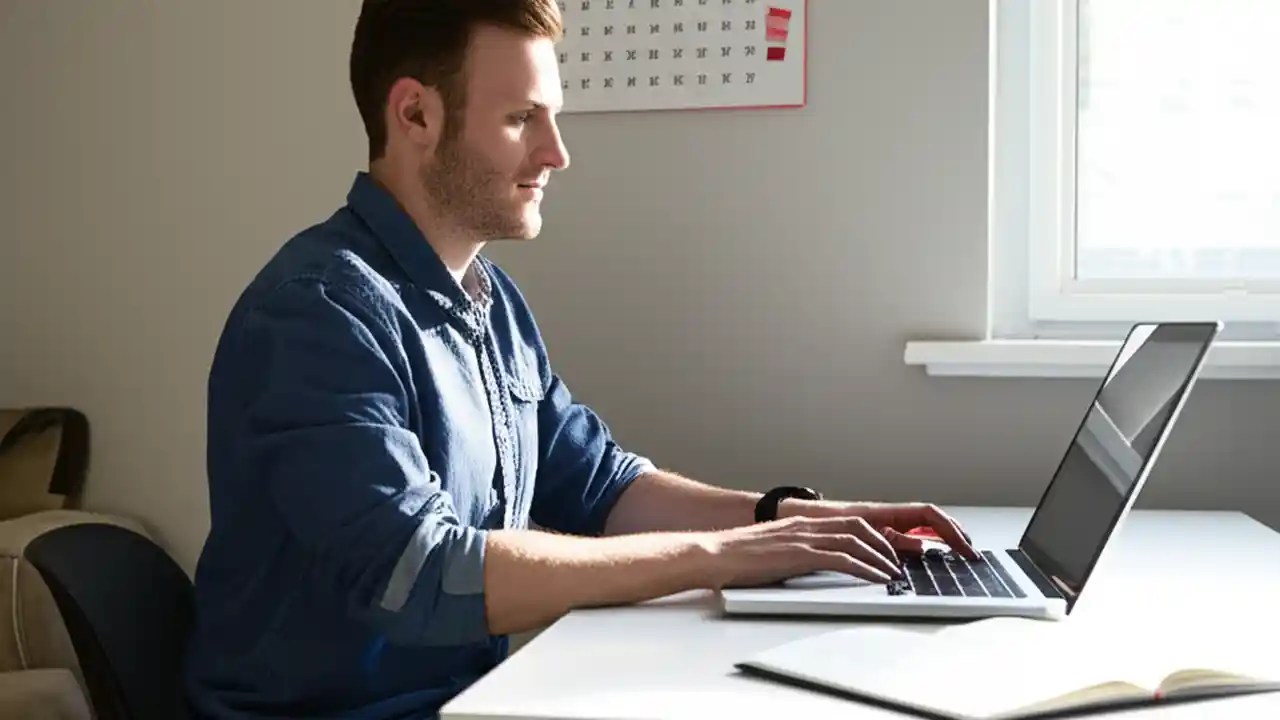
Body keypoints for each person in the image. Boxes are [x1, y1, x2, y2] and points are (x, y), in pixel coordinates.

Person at [182, 1, 977, 717]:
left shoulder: (489, 303)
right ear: (416, 114)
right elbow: (422, 573)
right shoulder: (317, 314)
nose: (556, 152)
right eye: (522, 118)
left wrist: (784, 519)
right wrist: (723, 558)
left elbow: (597, 486)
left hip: (470, 700)